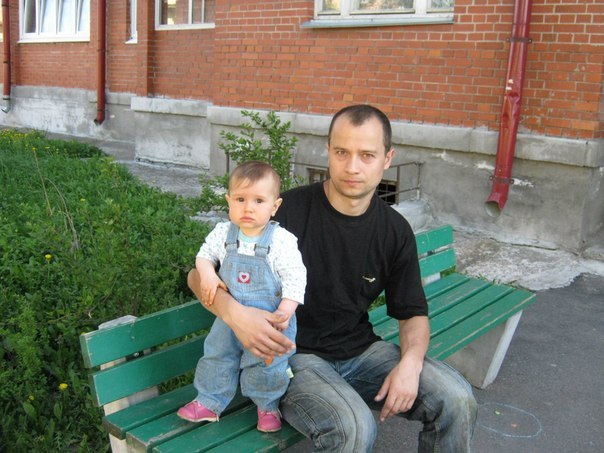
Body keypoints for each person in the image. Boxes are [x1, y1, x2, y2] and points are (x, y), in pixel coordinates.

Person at [189, 105, 477, 451]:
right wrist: (235, 316)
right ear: (328, 151)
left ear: (387, 158)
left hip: (363, 352)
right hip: (291, 357)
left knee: (456, 399)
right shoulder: (283, 214)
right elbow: (196, 276)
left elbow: (412, 312)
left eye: (367, 155)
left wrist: (411, 363)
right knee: (354, 428)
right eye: (342, 152)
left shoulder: (394, 230)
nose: (352, 167)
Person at [177, 160, 306, 433]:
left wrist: (286, 310)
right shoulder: (223, 233)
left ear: (274, 206)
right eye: (240, 199)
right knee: (217, 355)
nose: (248, 208)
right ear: (229, 201)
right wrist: (208, 274)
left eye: (259, 201)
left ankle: (267, 405)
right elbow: (204, 256)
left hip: (270, 319)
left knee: (267, 362)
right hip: (229, 318)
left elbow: (296, 278)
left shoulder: (281, 240)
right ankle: (209, 401)